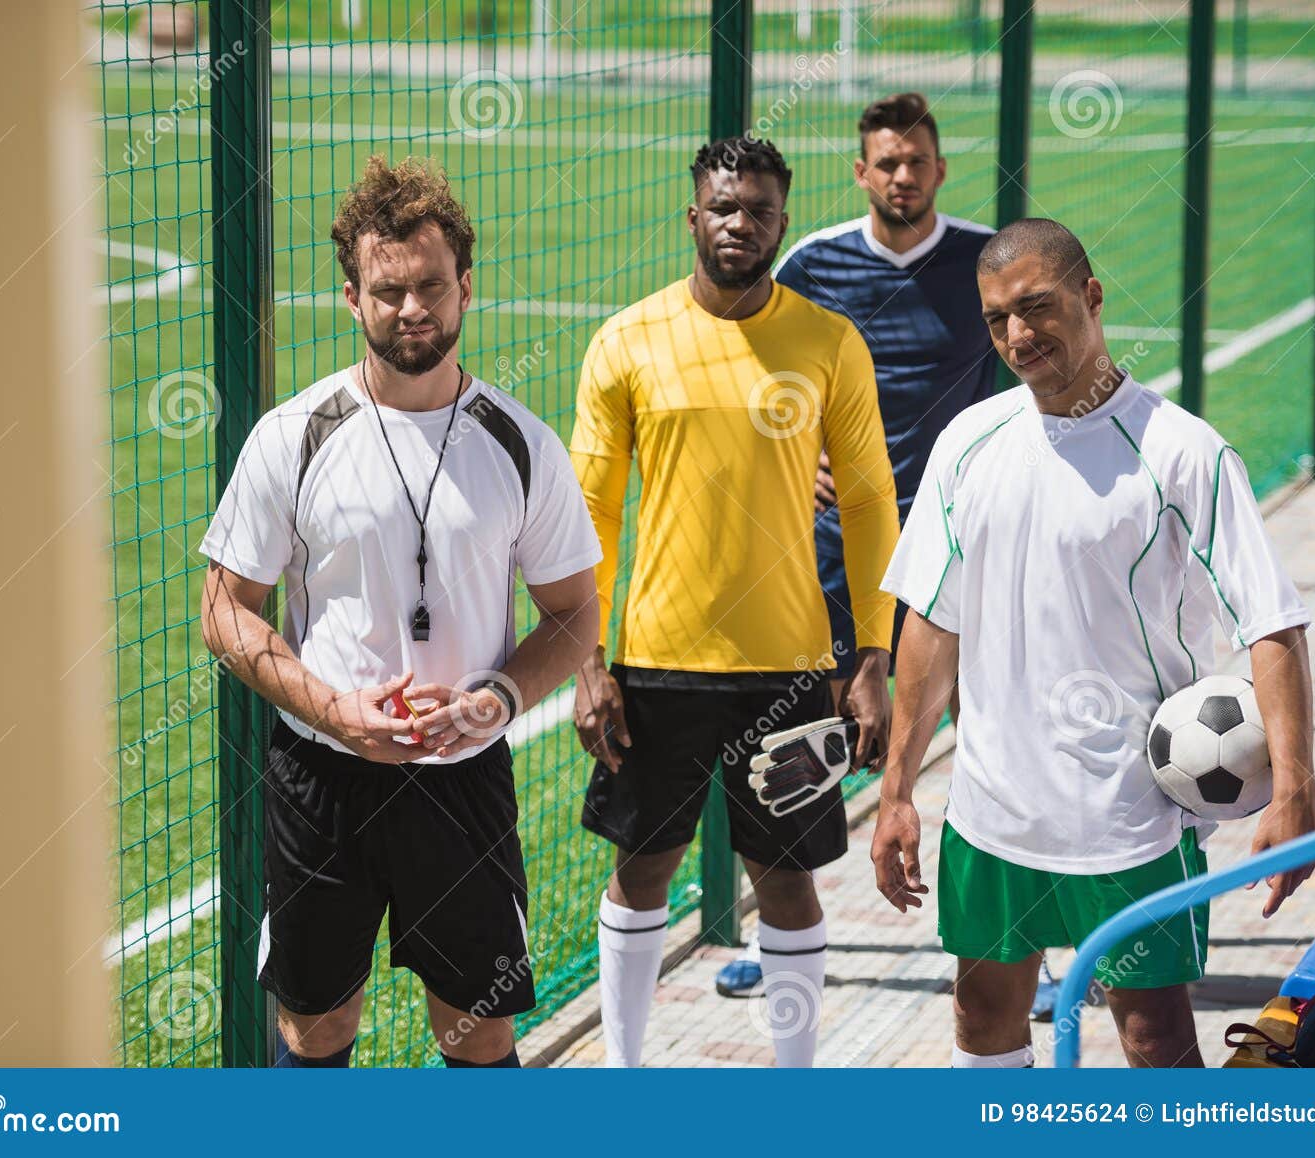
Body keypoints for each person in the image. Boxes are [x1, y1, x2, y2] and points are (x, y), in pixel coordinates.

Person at [871, 218, 1315, 1068]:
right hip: (991, 814)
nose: (1017, 335)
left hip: (1130, 821)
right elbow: (932, 623)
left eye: (1036, 308)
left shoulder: (1183, 452)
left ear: (1092, 296)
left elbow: (1272, 622)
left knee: (1152, 1039)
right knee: (981, 1019)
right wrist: (897, 788)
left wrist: (1295, 786)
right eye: (997, 317)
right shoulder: (966, 445)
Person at [199, 156, 601, 1068]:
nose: (412, 308)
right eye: (389, 291)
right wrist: (334, 710)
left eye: (430, 285)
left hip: (463, 781)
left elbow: (577, 614)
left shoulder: (521, 443)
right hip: (322, 776)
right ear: (352, 298)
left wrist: (498, 695)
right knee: (318, 1024)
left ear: (466, 286)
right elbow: (224, 612)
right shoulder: (292, 436)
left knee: (476, 1024)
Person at [570, 136, 899, 1067]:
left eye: (758, 210)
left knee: (788, 882)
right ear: (693, 216)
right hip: (655, 663)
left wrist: (868, 660)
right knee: (641, 875)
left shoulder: (828, 342)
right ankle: (624, 1077)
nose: (739, 224)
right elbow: (586, 513)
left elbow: (872, 502)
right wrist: (587, 661)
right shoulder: (628, 340)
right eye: (724, 207)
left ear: (781, 222)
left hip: (791, 668)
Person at [718, 92, 998, 999]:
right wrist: (797, 471)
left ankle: (1009, 949)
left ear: (940, 169)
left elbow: (1021, 385)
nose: (902, 176)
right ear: (861, 172)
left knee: (990, 743)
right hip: (836, 556)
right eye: (886, 162)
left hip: (958, 549)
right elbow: (756, 385)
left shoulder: (982, 264)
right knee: (800, 746)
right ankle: (778, 938)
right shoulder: (812, 263)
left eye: (917, 160)